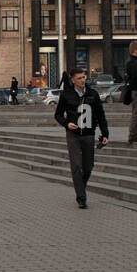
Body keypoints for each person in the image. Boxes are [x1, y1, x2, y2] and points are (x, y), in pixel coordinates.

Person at [54, 68, 109, 209]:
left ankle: (81, 188)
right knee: (77, 166)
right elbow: (58, 115)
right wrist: (67, 123)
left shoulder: (92, 94)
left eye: (84, 77)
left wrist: (105, 133)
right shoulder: (66, 95)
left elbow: (101, 115)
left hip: (89, 134)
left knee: (88, 166)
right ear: (72, 80)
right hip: (73, 134)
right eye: (79, 78)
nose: (82, 80)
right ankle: (81, 197)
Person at [124, 40, 137, 146]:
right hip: (136, 90)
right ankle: (133, 136)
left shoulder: (132, 61)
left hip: (135, 90)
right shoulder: (134, 62)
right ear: (136, 50)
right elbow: (135, 77)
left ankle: (135, 135)